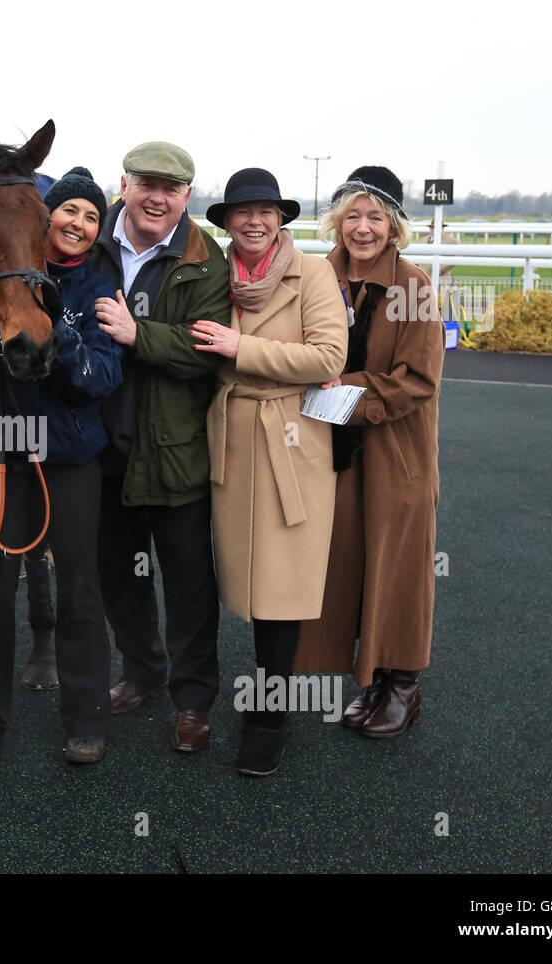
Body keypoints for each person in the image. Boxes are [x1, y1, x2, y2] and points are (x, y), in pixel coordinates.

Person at [0, 167, 122, 765]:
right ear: (44, 219)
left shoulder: (95, 292)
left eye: (91, 216)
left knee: (80, 586)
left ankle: (85, 719)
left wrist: (53, 333)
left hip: (68, 459)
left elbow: (99, 378)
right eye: (69, 211)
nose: (79, 223)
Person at [191, 167, 348, 776]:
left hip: (292, 440)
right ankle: (206, 697)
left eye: (266, 211)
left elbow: (329, 356)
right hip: (231, 436)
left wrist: (241, 349)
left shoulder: (314, 273)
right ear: (227, 220)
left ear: (280, 219)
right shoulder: (212, 272)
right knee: (239, 580)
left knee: (281, 587)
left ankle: (270, 714)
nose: (255, 221)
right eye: (243, 211)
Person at [89, 142, 231, 754]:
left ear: (187, 196)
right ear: (123, 185)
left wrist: (135, 333)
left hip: (176, 447)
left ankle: (193, 701)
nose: (157, 197)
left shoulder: (205, 256)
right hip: (100, 447)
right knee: (118, 575)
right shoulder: (87, 239)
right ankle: (142, 671)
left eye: (171, 189)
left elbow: (205, 348)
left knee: (189, 583)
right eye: (146, 183)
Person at [293, 166, 443, 738]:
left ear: (393, 225)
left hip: (394, 454)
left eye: (375, 217)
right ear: (337, 221)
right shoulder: (316, 276)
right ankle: (373, 680)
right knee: (349, 565)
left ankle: (403, 684)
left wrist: (343, 392)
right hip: (330, 451)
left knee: (397, 567)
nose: (362, 228)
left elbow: (418, 380)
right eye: (352, 215)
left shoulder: (413, 287)